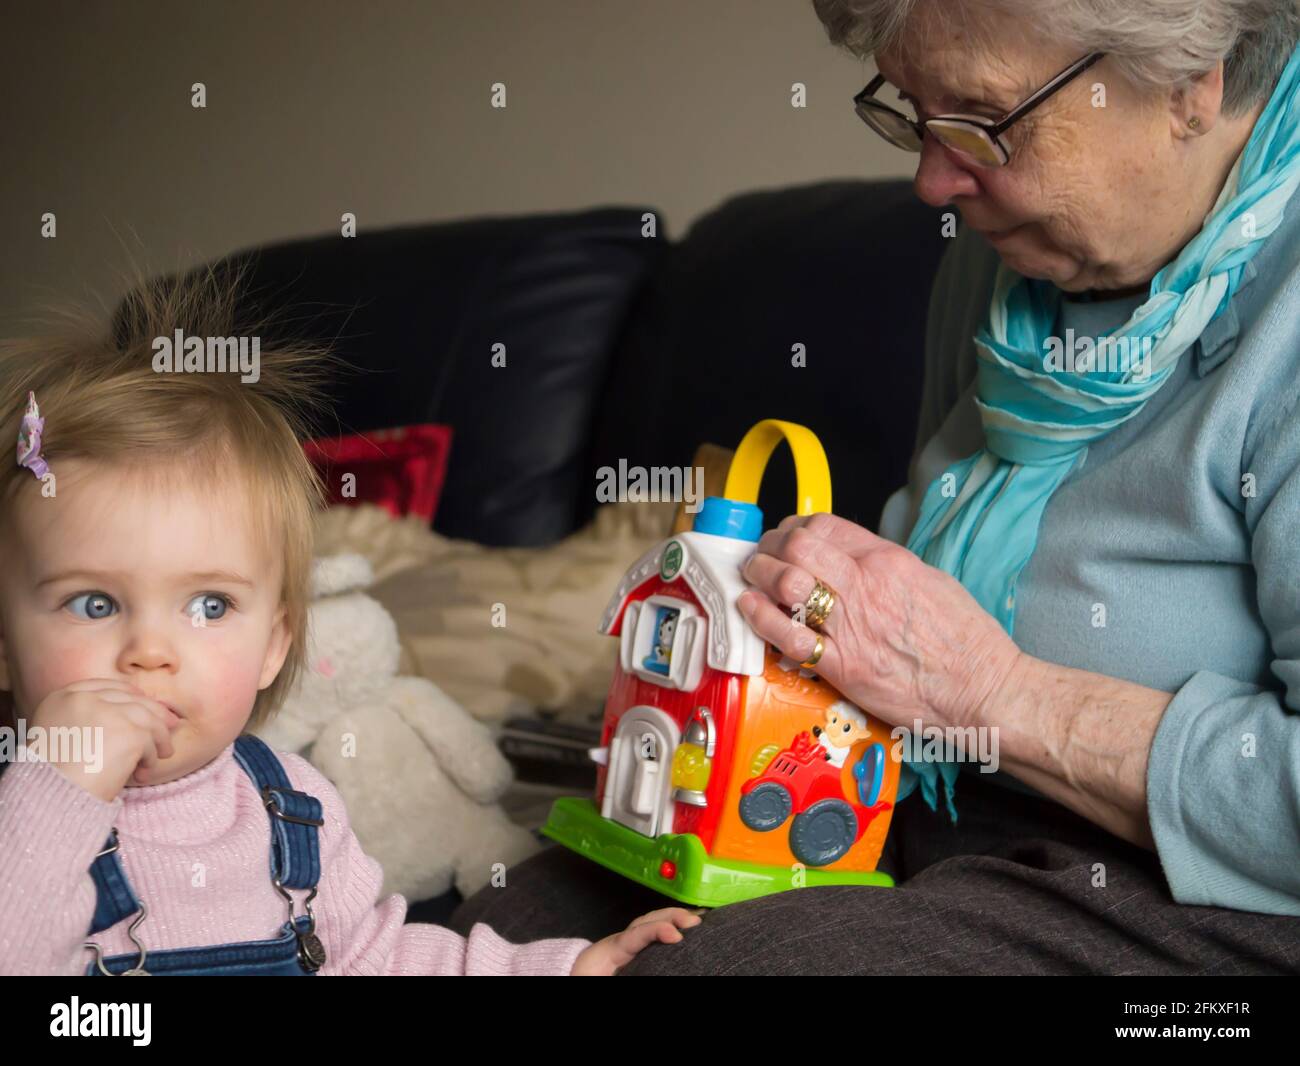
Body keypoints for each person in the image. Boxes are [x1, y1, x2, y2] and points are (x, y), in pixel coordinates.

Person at [450, 0, 1300, 974]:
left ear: (1192, 81)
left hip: (1182, 886)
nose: (932, 181)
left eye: (981, 121)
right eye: (913, 113)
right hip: (923, 799)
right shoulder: (999, 257)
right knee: (506, 938)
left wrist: (996, 695)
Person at [0, 268, 700, 976]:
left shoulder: (292, 807)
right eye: (94, 604)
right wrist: (56, 790)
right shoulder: (21, 815)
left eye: (210, 605)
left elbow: (376, 958)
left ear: (275, 644)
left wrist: (560, 969)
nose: (150, 653)